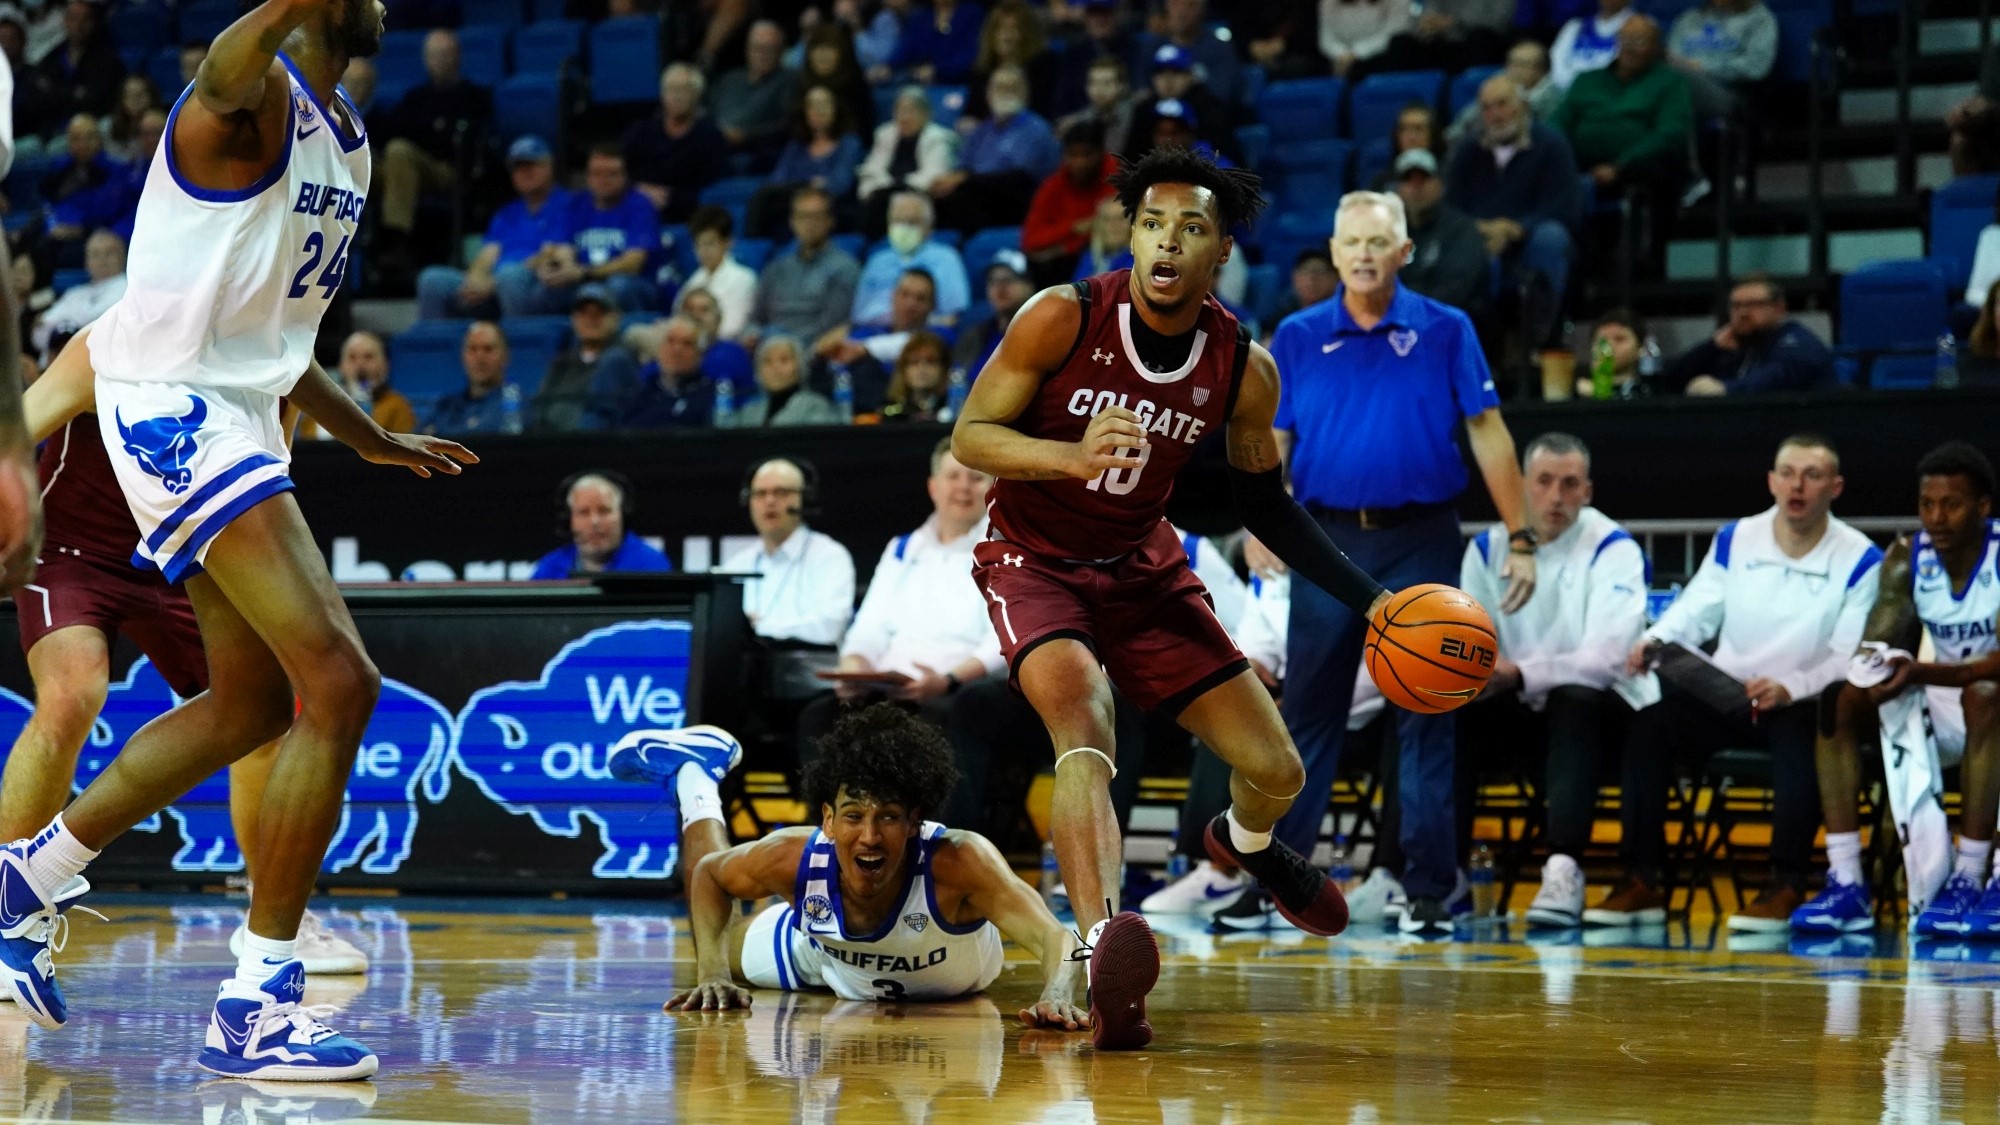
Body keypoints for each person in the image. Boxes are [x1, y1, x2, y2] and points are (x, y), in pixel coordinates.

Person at [0, 0, 475, 1078]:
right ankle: (258, 998)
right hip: (174, 407)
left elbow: (279, 337)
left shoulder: (344, 134)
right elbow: (221, 69)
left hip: (242, 408)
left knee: (258, 704)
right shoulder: (247, 98)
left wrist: (370, 437)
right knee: (340, 685)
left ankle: (31, 872)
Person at [953, 147, 1408, 1049]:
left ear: (1220, 253)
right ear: (1133, 235)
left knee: (1279, 767)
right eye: (1153, 224)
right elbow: (971, 434)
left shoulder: (1244, 365)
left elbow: (1266, 505)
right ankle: (1094, 954)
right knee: (1084, 719)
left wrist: (1374, 601)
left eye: (1190, 228)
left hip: (1141, 569)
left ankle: (1240, 841)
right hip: (1034, 559)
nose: (1166, 242)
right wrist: (1067, 456)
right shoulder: (1061, 316)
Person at [3, 329, 370, 975]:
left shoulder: (266, 345)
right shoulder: (111, 342)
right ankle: (11, 905)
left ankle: (271, 905)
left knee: (262, 717)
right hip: (70, 552)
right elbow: (14, 434)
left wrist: (373, 439)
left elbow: (270, 465)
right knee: (73, 692)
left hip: (179, 553)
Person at [1259, 189, 1536, 937]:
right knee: (1305, 714)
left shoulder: (1447, 328)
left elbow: (1488, 429)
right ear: (1334, 248)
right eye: (1351, 241)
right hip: (1323, 538)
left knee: (1427, 712)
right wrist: (1262, 517)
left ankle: (1428, 890)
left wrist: (1521, 534)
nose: (1364, 254)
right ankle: (1279, 883)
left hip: (1421, 537)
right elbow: (1271, 440)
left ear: (1405, 251)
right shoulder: (1295, 333)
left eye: (1379, 241)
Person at [638, 704, 1085, 1027]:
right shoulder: (793, 855)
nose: (869, 836)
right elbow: (711, 875)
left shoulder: (959, 860)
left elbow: (1056, 935)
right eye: (853, 816)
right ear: (828, 821)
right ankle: (696, 775)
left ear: (914, 821)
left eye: (888, 816)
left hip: (931, 977)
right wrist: (712, 975)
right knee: (715, 960)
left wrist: (1058, 994)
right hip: (817, 957)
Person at [1592, 435, 1882, 932]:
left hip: (1800, 702)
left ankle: (1787, 883)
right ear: (1771, 481)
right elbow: (1697, 610)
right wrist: (1655, 638)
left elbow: (1846, 657)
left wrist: (1790, 686)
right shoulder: (1736, 537)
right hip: (1727, 696)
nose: (1797, 485)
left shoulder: (1861, 558)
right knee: (1649, 727)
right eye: (1787, 473)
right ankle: (1642, 880)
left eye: (1812, 475)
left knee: (1804, 739)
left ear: (1835, 487)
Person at [1789, 443, 2000, 938]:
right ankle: (1846, 881)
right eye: (1927, 504)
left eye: (1951, 504)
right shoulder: (1907, 558)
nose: (1936, 517)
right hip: (1951, 699)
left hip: (1989, 704)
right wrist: (1873, 668)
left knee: (1986, 694)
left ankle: (1971, 875)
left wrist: (1921, 673)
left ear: (1983, 507)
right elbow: (1878, 635)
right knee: (1837, 701)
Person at [1456, 433, 1648, 929]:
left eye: (1569, 485)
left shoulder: (1614, 547)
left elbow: (1605, 660)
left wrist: (1520, 674)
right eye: (1543, 482)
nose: (1556, 497)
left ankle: (1564, 869)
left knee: (1573, 698)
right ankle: (1440, 871)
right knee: (1448, 707)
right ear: (1521, 486)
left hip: (1607, 718)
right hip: (1520, 710)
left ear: (1587, 491)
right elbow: (1472, 643)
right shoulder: (1487, 547)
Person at [799, 438, 1000, 745]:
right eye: (953, 477)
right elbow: (870, 625)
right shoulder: (902, 548)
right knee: (820, 717)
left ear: (992, 489)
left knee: (945, 716)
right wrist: (856, 667)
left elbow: (1003, 641)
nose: (963, 487)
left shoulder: (1004, 551)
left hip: (955, 690)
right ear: (933, 487)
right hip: (888, 688)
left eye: (975, 478)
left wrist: (948, 681)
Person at [1444, 75, 1580, 346]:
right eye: (1487, 108)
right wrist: (1482, 229)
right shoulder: (1467, 151)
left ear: (1522, 106)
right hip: (1482, 238)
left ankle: (1539, 342)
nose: (1495, 115)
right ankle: (1478, 347)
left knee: (1552, 238)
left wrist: (1516, 228)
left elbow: (1565, 206)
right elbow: (1451, 208)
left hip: (1531, 239)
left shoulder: (1551, 145)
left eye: (1502, 104)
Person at [372, 29, 491, 284]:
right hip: (406, 171)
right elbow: (391, 131)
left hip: (448, 170)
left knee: (400, 151)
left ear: (458, 56)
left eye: (445, 54)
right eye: (434, 55)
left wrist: (424, 134)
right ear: (425, 59)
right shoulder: (416, 97)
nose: (440, 61)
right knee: (355, 157)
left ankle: (396, 241)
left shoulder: (474, 96)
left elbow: (465, 143)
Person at [414, 135, 572, 320]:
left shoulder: (569, 205)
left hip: (535, 285)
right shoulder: (506, 213)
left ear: (549, 166)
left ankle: (520, 343)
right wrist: (476, 278)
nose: (525, 172)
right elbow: (487, 255)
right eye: (518, 167)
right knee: (432, 280)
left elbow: (552, 253)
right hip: (494, 287)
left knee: (510, 276)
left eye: (532, 164)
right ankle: (434, 346)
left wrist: (494, 282)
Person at [1552, 15, 1694, 211]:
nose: (1629, 47)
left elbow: (1670, 133)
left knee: (1659, 169)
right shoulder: (1587, 80)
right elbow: (1557, 121)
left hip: (1637, 168)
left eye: (1639, 41)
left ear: (1655, 47)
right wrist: (1558, 155)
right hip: (1577, 163)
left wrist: (1621, 166)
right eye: (1625, 39)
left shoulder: (1670, 82)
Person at [721, 455, 856, 648]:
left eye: (781, 492)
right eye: (759, 493)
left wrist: (758, 627)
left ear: (804, 499)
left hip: (809, 673)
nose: (769, 501)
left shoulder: (830, 556)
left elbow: (829, 627)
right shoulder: (737, 565)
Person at [932, 64, 1060, 234]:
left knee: (962, 202)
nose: (1004, 92)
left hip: (1013, 202)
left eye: (1012, 87)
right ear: (988, 93)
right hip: (977, 194)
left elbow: (1018, 179)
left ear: (1025, 93)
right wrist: (947, 181)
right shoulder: (982, 130)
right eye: (998, 87)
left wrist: (965, 180)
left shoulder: (1035, 128)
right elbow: (963, 167)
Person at [1670, 274, 1837, 396]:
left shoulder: (1797, 343)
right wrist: (1711, 348)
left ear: (1779, 309)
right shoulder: (1743, 344)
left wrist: (1724, 389)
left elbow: (1769, 382)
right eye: (1736, 306)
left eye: (1753, 305)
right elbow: (1673, 380)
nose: (1742, 313)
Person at [541, 145, 660, 314]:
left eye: (612, 174)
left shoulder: (640, 205)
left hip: (632, 285)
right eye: (597, 174)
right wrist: (558, 267)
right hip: (583, 282)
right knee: (551, 285)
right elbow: (562, 248)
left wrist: (584, 273)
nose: (604, 180)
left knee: (619, 285)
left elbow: (633, 263)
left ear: (625, 176)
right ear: (587, 177)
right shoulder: (575, 204)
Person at [747, 186, 860, 349]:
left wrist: (783, 343)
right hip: (769, 350)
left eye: (816, 217)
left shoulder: (845, 268)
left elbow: (831, 329)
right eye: (802, 217)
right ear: (792, 222)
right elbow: (755, 319)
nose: (809, 224)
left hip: (810, 352)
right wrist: (752, 334)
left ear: (830, 221)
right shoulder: (777, 267)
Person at [747, 83, 862, 240]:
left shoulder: (849, 143)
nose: (818, 110)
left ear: (836, 109)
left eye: (824, 104)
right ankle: (753, 246)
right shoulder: (797, 145)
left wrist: (813, 186)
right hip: (792, 201)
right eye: (812, 105)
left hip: (830, 206)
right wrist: (810, 184)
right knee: (763, 197)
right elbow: (777, 179)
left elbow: (840, 184)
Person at [623, 63, 728, 225]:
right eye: (672, 90)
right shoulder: (640, 132)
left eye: (684, 90)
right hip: (637, 206)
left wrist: (669, 197)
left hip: (688, 214)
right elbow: (621, 171)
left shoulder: (709, 136)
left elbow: (711, 186)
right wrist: (641, 191)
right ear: (662, 94)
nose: (677, 96)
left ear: (697, 96)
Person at [854, 85, 961, 241]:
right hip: (885, 197)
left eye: (911, 111)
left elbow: (934, 176)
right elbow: (870, 172)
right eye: (900, 110)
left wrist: (897, 186)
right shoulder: (884, 135)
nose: (904, 117)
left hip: (922, 197)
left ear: (926, 114)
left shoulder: (939, 138)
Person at [531, 284, 641, 432]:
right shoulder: (562, 362)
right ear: (573, 319)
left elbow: (602, 418)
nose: (590, 319)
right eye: (583, 313)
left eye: (599, 313)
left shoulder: (618, 361)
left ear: (616, 318)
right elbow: (539, 409)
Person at [1393, 150, 1489, 320]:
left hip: (1447, 327)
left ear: (1440, 184)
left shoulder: (1461, 230)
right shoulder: (1392, 232)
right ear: (1398, 189)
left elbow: (1455, 292)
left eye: (1424, 179)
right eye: (1409, 180)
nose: (1416, 187)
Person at [852, 192, 970, 327]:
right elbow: (859, 313)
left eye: (912, 222)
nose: (903, 228)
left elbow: (953, 315)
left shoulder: (946, 258)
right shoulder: (878, 260)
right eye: (897, 221)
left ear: (929, 226)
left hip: (925, 333)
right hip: (876, 332)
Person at [1021, 121, 1115, 287]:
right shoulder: (1053, 185)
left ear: (1101, 153)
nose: (1080, 162)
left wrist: (1064, 247)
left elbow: (1114, 231)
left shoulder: (1116, 178)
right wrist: (1074, 227)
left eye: (1087, 154)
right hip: (1061, 261)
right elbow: (1030, 239)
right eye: (1073, 155)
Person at [529, 471, 672, 579]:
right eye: (584, 512)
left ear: (622, 514)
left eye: (604, 511)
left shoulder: (651, 565)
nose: (595, 521)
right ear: (569, 520)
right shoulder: (549, 568)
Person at [706, 19, 797, 168]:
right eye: (757, 48)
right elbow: (709, 115)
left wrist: (746, 136)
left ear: (781, 52)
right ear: (747, 49)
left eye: (769, 49)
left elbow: (787, 126)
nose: (762, 54)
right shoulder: (730, 79)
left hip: (757, 154)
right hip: (715, 148)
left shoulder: (790, 79)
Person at [1666, 0, 1777, 119]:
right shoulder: (1690, 18)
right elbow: (1672, 58)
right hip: (1683, 82)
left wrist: (1702, 66)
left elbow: (1756, 68)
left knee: (1679, 81)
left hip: (1729, 93)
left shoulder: (1759, 19)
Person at [297, 330, 415, 441]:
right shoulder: (321, 406)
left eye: (368, 357)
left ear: (385, 364)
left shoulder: (397, 405)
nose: (360, 364)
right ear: (341, 367)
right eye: (352, 357)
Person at [27, 227, 122, 364]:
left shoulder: (126, 288)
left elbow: (99, 320)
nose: (102, 259)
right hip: (57, 362)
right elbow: (39, 332)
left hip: (100, 362)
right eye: (95, 254)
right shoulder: (75, 293)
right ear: (86, 261)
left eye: (109, 253)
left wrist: (60, 322)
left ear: (122, 256)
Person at [1445, 40, 1562, 146]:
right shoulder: (1496, 90)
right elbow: (1460, 127)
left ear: (1542, 70)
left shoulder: (1554, 100)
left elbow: (1550, 135)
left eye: (1522, 64)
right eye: (1511, 63)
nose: (1514, 70)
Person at [674, 206, 757, 342]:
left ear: (728, 243)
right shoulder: (694, 281)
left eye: (710, 244)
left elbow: (732, 328)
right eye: (699, 245)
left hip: (720, 344)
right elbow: (677, 317)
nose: (703, 251)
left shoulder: (744, 279)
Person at [422, 321, 521, 436]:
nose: (479, 358)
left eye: (488, 349)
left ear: (505, 357)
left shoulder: (514, 403)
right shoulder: (445, 405)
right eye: (472, 349)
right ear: (463, 356)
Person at [618, 315, 715, 429]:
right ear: (659, 349)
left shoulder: (711, 397)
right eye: (670, 341)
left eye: (687, 343)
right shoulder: (638, 396)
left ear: (700, 355)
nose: (677, 349)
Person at [726, 334, 842, 428]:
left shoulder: (815, 406)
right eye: (767, 361)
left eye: (784, 360)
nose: (776, 368)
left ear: (800, 366)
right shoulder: (749, 411)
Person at [953, 249, 1032, 378]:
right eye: (993, 281)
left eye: (1008, 280)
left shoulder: (1040, 334)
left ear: (1029, 286)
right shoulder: (973, 336)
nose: (1000, 288)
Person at [1054, 56, 1134, 159]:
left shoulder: (1136, 118)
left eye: (1106, 83)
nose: (1098, 89)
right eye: (1093, 83)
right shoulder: (1079, 121)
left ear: (1122, 86)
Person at [1550, 0, 1634, 92]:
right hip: (1565, 90)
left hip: (1604, 94)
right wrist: (1570, 85)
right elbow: (1557, 60)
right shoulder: (1575, 26)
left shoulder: (1636, 30)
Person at [1318, 0, 1413, 80]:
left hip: (1382, 58)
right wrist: (1342, 54)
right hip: (1339, 60)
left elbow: (1395, 31)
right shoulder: (1328, 2)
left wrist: (1356, 53)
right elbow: (1326, 37)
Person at [1574, 308, 1651, 398]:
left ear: (1640, 348)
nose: (1609, 347)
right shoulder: (1574, 392)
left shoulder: (1650, 393)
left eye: (1619, 339)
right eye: (1602, 341)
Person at [879, 330, 952, 422]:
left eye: (930, 361)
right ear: (903, 370)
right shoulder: (888, 411)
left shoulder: (955, 409)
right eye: (914, 362)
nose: (922, 368)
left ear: (943, 369)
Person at [1071, 194, 1131, 280]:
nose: (1114, 225)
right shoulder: (1089, 257)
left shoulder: (1137, 264)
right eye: (1107, 219)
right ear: (1098, 225)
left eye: (1120, 218)